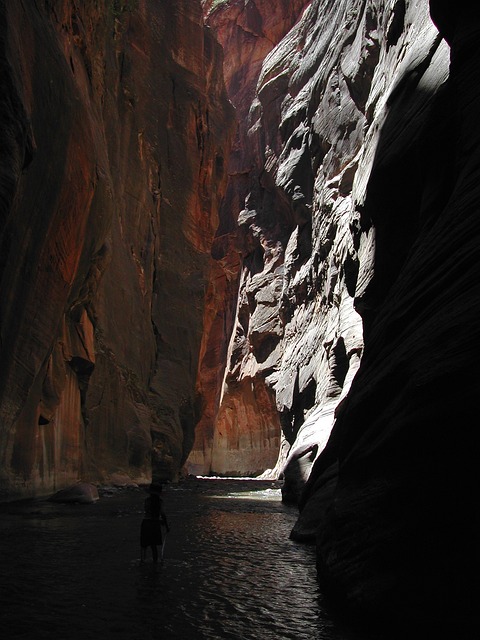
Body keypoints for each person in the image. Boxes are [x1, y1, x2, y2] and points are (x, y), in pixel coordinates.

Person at [140, 484, 170, 562]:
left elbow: (147, 512)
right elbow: (162, 514)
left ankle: (142, 561)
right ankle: (155, 562)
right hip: (155, 524)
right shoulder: (160, 502)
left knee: (144, 545)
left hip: (146, 523)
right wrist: (166, 526)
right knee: (154, 546)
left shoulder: (147, 501)